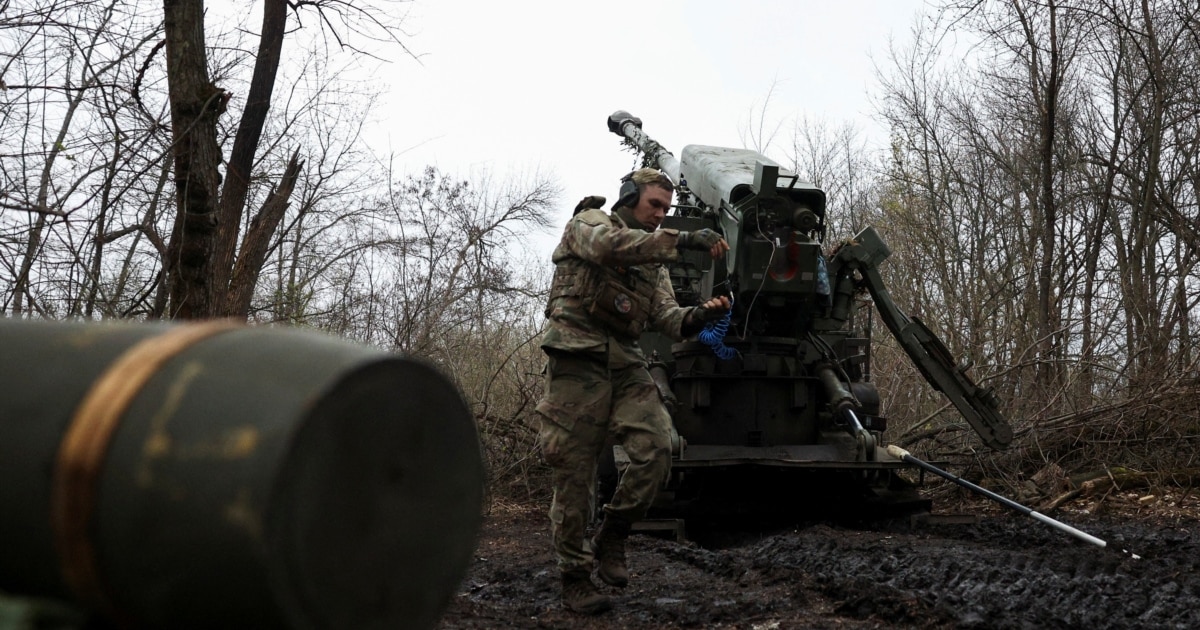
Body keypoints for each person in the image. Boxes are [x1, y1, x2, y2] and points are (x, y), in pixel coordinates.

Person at [535, 167, 731, 615]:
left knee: (659, 448)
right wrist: (683, 240)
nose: (660, 215)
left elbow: (667, 317)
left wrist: (700, 316)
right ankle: (575, 579)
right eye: (654, 205)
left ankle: (614, 533)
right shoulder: (590, 224)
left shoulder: (653, 261)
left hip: (625, 365)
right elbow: (609, 248)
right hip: (577, 362)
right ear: (628, 198)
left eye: (666, 208)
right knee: (575, 474)